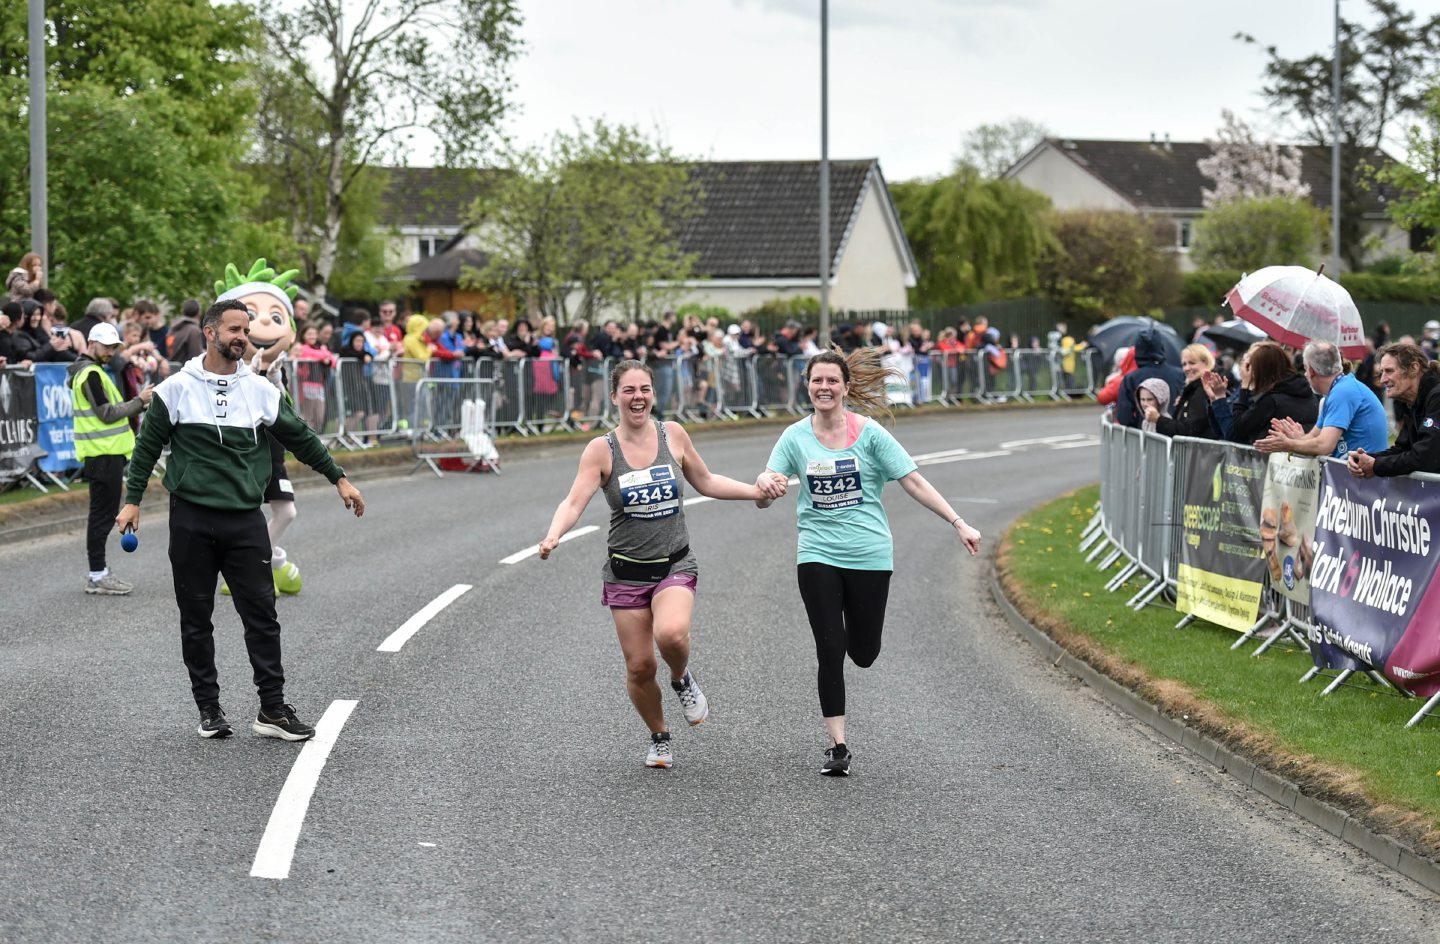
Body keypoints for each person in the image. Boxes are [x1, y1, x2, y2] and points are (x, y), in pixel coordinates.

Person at [117, 299, 365, 741]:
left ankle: (272, 710)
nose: (242, 337)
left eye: (245, 331)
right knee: (197, 618)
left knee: (262, 615)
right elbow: (147, 448)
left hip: (245, 520)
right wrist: (132, 500)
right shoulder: (176, 388)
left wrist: (339, 478)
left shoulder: (260, 390)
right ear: (209, 332)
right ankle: (209, 710)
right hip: (191, 518)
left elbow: (301, 437)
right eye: (233, 329)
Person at [537, 359, 786, 769]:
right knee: (639, 666)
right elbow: (574, 500)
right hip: (625, 572)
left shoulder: (674, 435)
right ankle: (659, 736)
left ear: (654, 393)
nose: (638, 398)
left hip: (674, 562)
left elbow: (705, 481)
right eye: (629, 391)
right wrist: (554, 534)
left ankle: (681, 678)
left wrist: (755, 492)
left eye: (645, 390)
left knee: (671, 636)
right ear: (615, 397)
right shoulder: (602, 450)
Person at [754, 348, 982, 776]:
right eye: (817, 381)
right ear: (807, 386)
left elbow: (912, 480)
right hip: (817, 552)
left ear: (844, 387)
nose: (824, 388)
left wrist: (958, 522)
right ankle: (838, 747)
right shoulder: (794, 437)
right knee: (830, 648)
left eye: (832, 381)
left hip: (870, 554)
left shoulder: (871, 434)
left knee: (863, 652)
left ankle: (858, 657)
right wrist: (765, 486)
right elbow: (768, 495)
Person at [68, 323, 153, 595]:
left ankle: (98, 573)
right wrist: (139, 401)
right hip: (102, 455)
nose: (109, 351)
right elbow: (106, 413)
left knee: (101, 516)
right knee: (102, 517)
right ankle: (97, 574)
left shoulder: (94, 371)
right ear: (91, 343)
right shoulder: (90, 374)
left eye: (113, 347)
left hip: (106, 454)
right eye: (105, 346)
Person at [1256, 340, 1388, 459]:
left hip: (1364, 482)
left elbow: (1324, 446)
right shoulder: (1337, 390)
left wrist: (1288, 444)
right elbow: (1314, 436)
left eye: (1306, 370)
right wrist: (1298, 439)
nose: (1306, 375)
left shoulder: (1342, 392)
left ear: (1311, 371)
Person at [1348, 342, 1440, 478]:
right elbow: (1403, 448)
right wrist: (1364, 459)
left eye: (1389, 371)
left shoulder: (1436, 397)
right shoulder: (1413, 400)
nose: (1383, 379)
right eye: (1381, 372)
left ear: (1414, 368)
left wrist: (1376, 465)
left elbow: (1425, 457)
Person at [1204, 341, 1317, 445]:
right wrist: (1217, 399)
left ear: (1261, 369)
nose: (1247, 368)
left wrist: (1243, 387)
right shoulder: (1303, 391)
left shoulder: (1271, 399)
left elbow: (1236, 432)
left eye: (1251, 364)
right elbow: (1222, 430)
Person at [1114, 323, 1183, 427]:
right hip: (1176, 436)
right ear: (1161, 346)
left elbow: (1125, 416)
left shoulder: (1131, 378)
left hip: (1145, 436)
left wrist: (1138, 426)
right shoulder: (1180, 374)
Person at [1156, 344, 1215, 438]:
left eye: (1192, 363)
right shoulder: (1193, 388)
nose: (1187, 368)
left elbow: (1188, 429)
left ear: (1206, 362)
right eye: (1184, 364)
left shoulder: (1205, 390)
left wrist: (1158, 419)